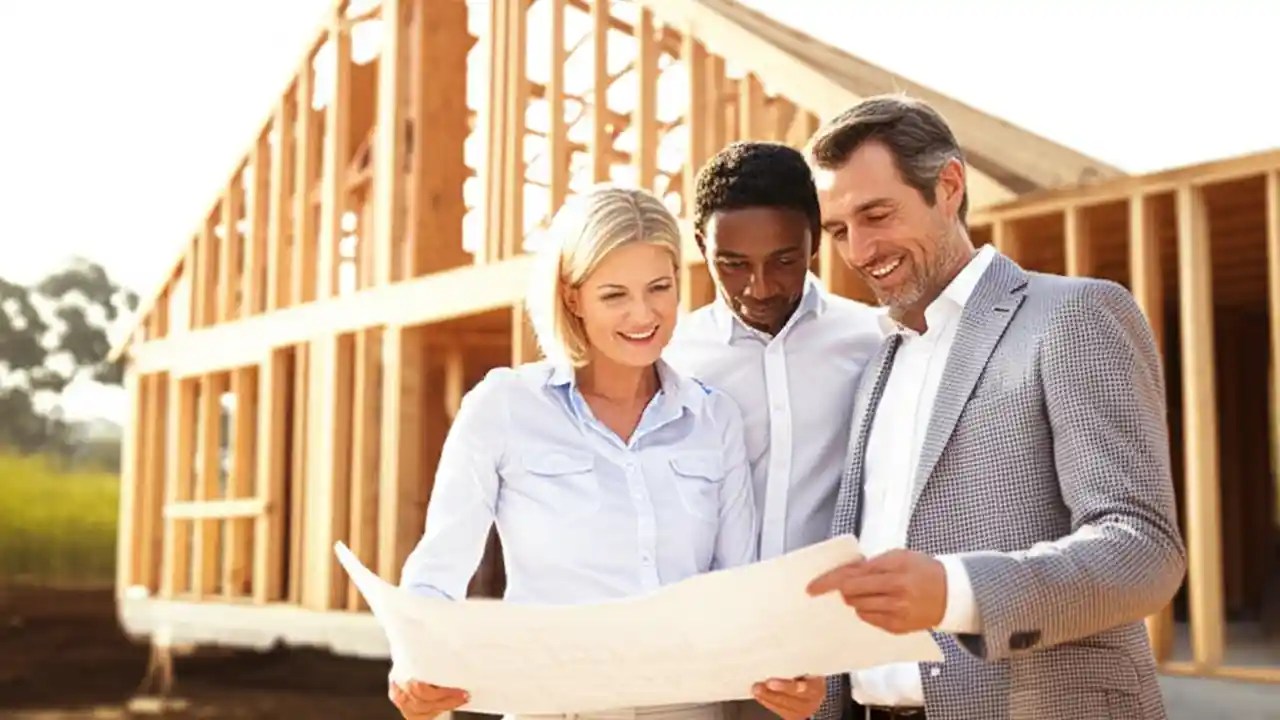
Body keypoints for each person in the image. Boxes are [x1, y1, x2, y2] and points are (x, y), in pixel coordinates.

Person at [802, 95, 1186, 719]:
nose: (859, 251)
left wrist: (957, 591)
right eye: (840, 230)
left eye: (877, 214)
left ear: (948, 186)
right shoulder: (876, 363)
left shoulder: (1073, 315)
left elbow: (1144, 548)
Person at [386, 185, 786, 720]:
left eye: (659, 288)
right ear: (573, 297)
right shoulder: (504, 406)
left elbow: (736, 585)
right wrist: (415, 660)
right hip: (555, 709)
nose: (643, 314)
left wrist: (782, 665)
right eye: (614, 294)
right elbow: (437, 571)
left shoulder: (714, 420)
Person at [664, 141, 884, 720]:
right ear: (700, 246)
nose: (759, 287)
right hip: (696, 655)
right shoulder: (669, 359)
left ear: (815, 239)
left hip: (828, 659)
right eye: (732, 264)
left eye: (785, 260)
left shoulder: (875, 343)